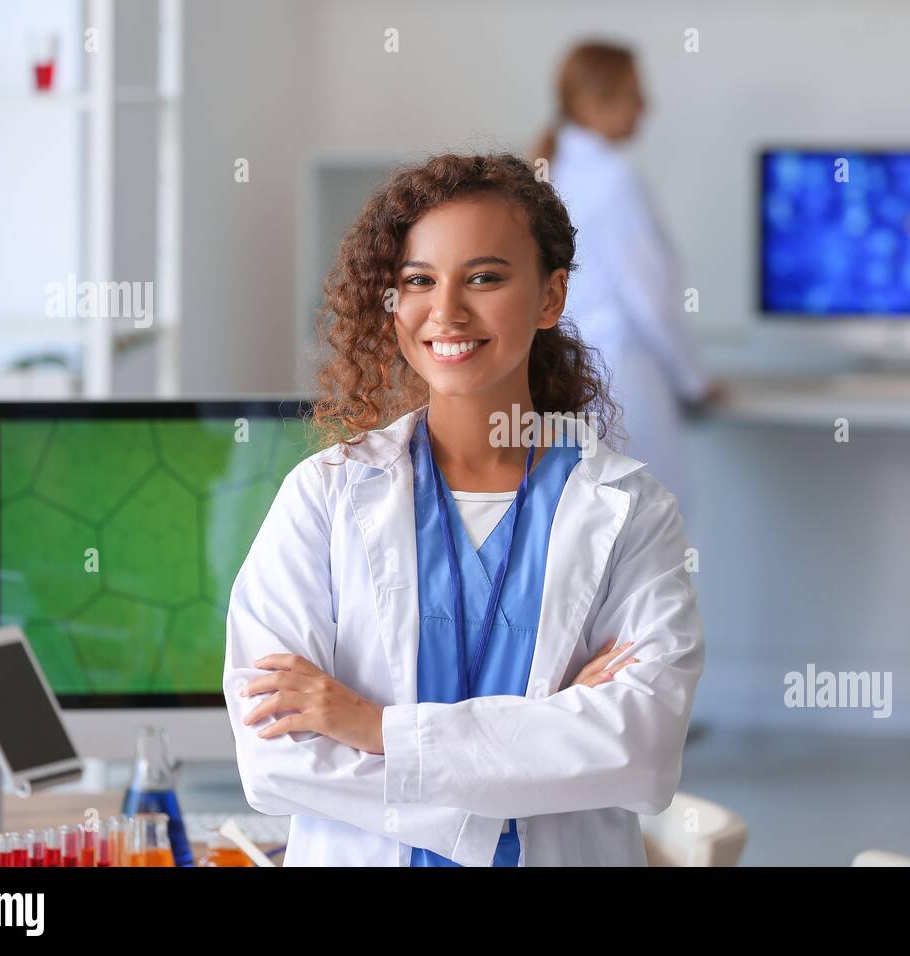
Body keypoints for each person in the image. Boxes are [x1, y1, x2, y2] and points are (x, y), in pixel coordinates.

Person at [222, 153, 705, 866]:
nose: (446, 310)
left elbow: (641, 751)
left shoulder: (630, 511)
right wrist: (540, 743)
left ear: (550, 297)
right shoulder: (323, 497)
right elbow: (275, 763)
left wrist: (370, 725)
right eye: (419, 280)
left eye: (484, 277)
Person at [533, 41, 722, 512]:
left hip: (571, 383)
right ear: (596, 102)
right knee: (648, 539)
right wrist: (695, 383)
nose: (646, 107)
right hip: (622, 384)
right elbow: (650, 300)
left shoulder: (555, 170)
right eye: (635, 94)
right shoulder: (612, 179)